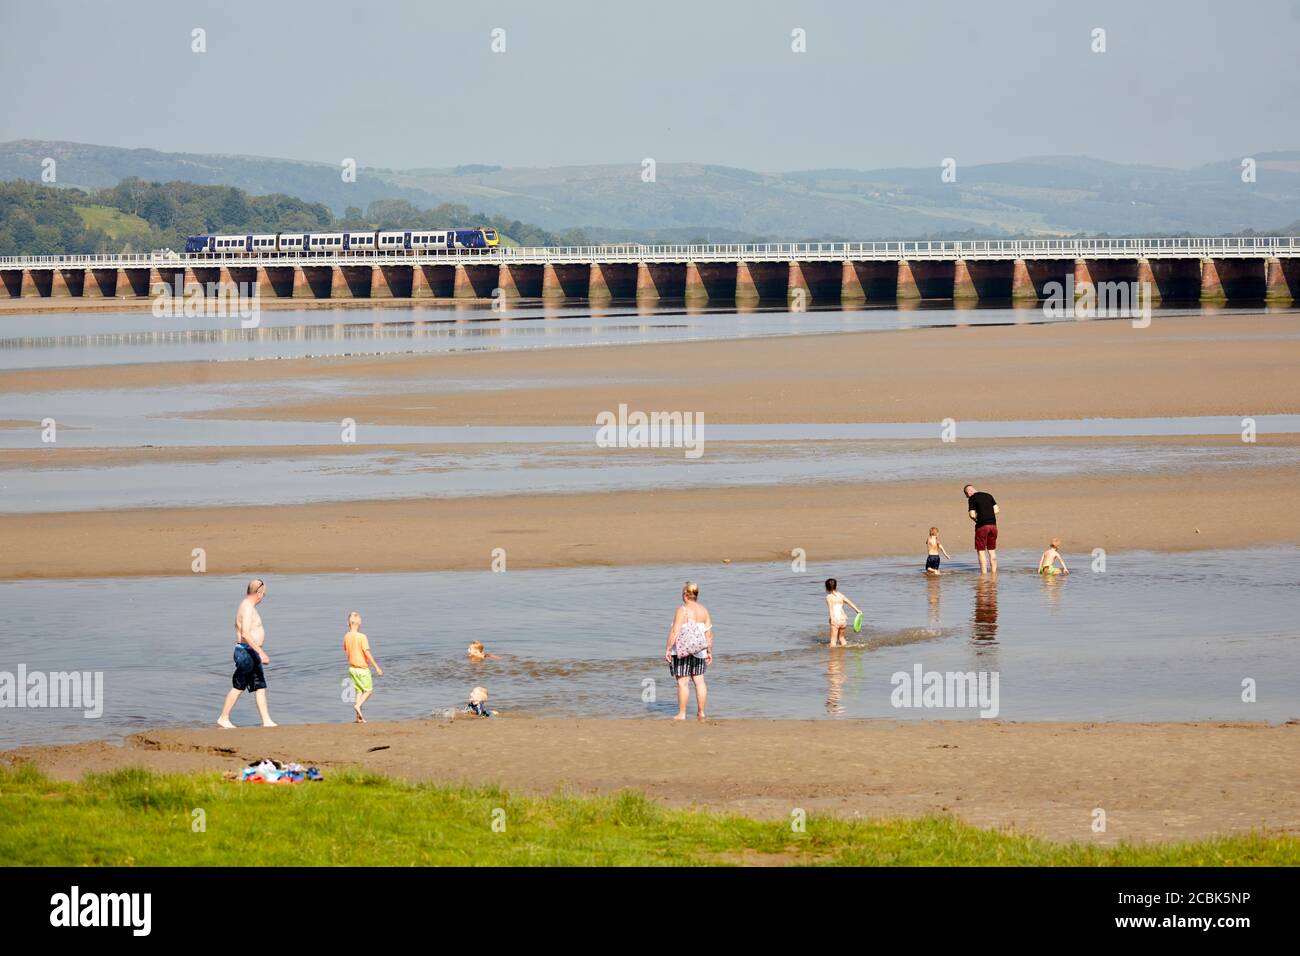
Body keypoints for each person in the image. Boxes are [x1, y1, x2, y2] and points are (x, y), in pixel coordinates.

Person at [217, 579, 277, 729]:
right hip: (246, 652)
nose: (263, 597)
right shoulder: (247, 608)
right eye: (264, 594)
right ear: (259, 593)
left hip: (251, 653)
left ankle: (267, 721)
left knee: (260, 686)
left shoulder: (247, 606)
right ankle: (223, 718)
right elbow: (245, 633)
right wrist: (261, 652)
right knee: (239, 686)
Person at [664, 580, 713, 720]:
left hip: (682, 651)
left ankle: (682, 713)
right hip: (699, 651)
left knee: (683, 682)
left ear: (685, 595)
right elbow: (709, 634)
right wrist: (709, 651)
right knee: (699, 681)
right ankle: (701, 712)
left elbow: (675, 631)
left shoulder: (682, 610)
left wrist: (668, 648)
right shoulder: (704, 611)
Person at [344, 611, 383, 723]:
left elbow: (346, 650)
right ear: (359, 623)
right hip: (362, 669)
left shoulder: (347, 636)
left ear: (348, 623)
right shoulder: (362, 637)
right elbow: (367, 653)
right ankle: (358, 706)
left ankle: (358, 717)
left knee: (359, 691)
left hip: (352, 669)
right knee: (369, 690)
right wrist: (377, 667)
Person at [963, 484, 1000, 574]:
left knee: (981, 551)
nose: (967, 497)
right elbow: (997, 510)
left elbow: (971, 514)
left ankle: (984, 574)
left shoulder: (972, 498)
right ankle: (994, 573)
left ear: (968, 492)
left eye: (967, 495)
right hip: (993, 526)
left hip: (982, 526)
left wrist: (976, 519)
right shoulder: (988, 495)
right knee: (992, 551)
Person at [824, 578, 861, 646]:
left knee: (833, 640)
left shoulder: (829, 597)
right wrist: (857, 610)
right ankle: (843, 651)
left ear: (826, 588)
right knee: (841, 638)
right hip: (843, 619)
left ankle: (834, 655)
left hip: (836, 619)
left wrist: (832, 620)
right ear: (836, 586)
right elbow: (849, 602)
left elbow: (831, 609)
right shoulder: (840, 595)